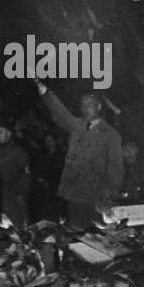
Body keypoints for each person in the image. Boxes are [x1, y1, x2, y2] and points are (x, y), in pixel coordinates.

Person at [36, 82, 123, 226]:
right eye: (82, 105)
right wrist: (46, 92)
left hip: (95, 196)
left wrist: (108, 198)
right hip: (73, 192)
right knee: (77, 232)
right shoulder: (77, 125)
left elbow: (116, 170)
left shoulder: (111, 135)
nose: (85, 108)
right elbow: (61, 113)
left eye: (89, 104)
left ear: (99, 107)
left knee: (98, 236)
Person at [0, 122, 31, 228]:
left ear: (9, 134)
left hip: (14, 199)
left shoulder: (18, 153)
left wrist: (21, 194)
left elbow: (26, 175)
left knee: (16, 229)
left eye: (1, 132)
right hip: (2, 198)